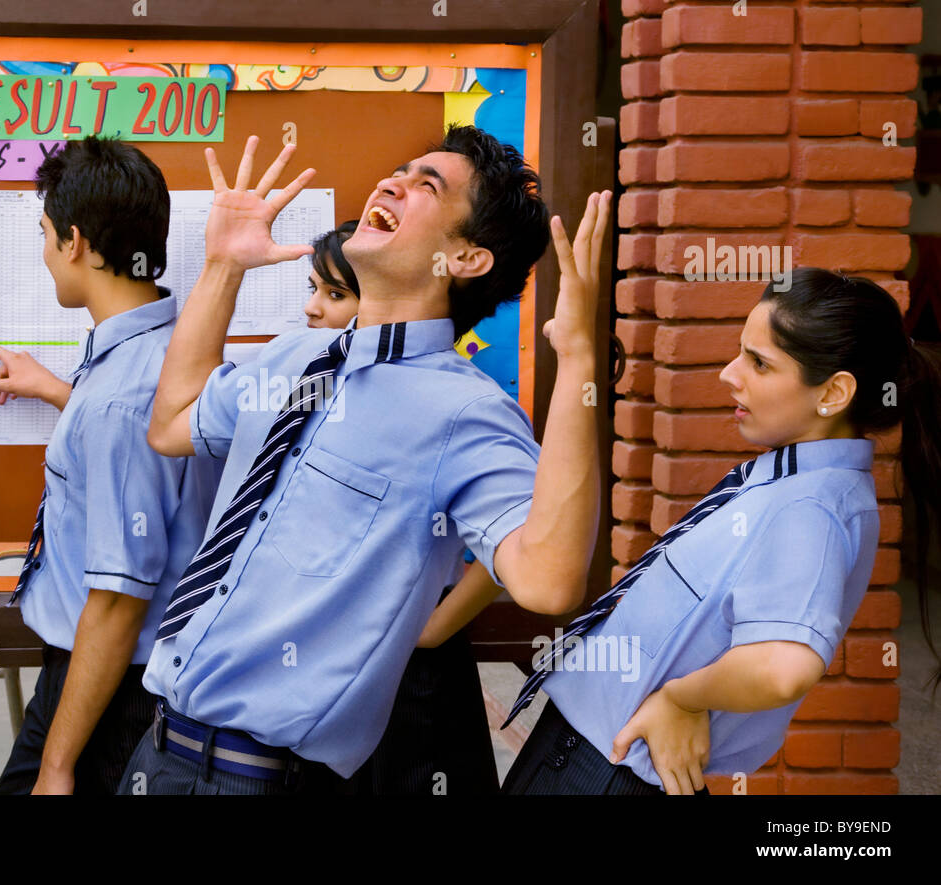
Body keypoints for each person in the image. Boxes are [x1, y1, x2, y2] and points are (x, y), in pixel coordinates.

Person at [119, 126, 611, 794]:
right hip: (155, 752)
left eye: (426, 185)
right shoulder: (294, 355)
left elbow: (548, 580)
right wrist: (223, 265)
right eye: (400, 170)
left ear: (466, 258)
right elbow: (173, 423)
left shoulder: (465, 412)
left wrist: (580, 361)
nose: (392, 182)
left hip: (266, 778)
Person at [497, 268, 941, 795]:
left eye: (759, 363)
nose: (730, 374)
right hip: (599, 753)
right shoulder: (795, 482)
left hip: (609, 769)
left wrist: (683, 698)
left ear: (834, 392)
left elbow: (782, 666)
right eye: (740, 351)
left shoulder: (811, 506)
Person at [0, 136, 220, 795]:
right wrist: (64, 393)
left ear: (76, 242)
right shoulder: (158, 352)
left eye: (46, 233)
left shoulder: (121, 395)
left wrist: (58, 765)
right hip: (120, 677)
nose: (46, 251)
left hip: (111, 689)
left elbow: (118, 600)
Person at [302, 220, 500, 794]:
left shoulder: (451, 404)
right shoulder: (314, 387)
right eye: (312, 290)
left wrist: (436, 626)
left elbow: (526, 535)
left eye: (335, 295)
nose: (314, 309)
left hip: (412, 676)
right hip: (330, 661)